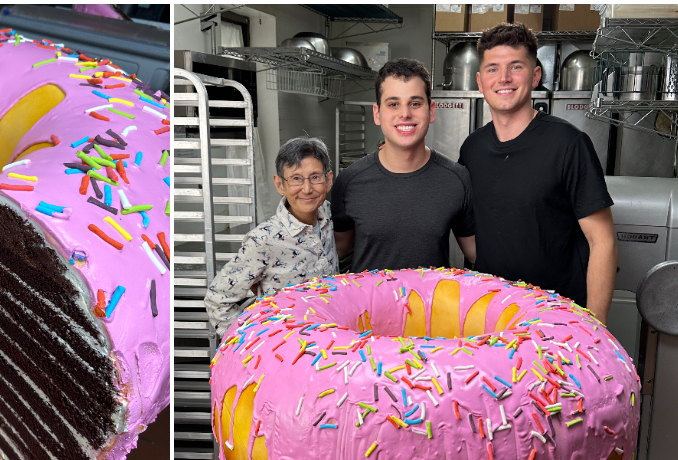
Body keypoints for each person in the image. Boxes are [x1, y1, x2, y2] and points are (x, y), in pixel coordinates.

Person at [459, 23, 617, 323]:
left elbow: (602, 240)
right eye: (492, 69)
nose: (503, 78)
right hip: (491, 316)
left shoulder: (569, 144)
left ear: (535, 76)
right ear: (480, 82)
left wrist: (595, 326)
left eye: (515, 67)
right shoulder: (472, 148)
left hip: (558, 319)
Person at [332, 58, 476, 272]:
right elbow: (334, 251)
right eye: (393, 104)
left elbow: (476, 253)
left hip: (431, 304)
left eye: (415, 103)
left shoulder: (456, 179)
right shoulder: (349, 181)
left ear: (432, 111)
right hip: (369, 305)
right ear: (377, 113)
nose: (405, 114)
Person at [204, 137, 338, 336]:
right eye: (296, 178)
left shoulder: (327, 214)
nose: (307, 189)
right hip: (287, 349)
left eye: (315, 177)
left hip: (330, 336)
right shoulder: (263, 240)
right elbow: (217, 298)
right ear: (279, 184)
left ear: (328, 180)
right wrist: (249, 344)